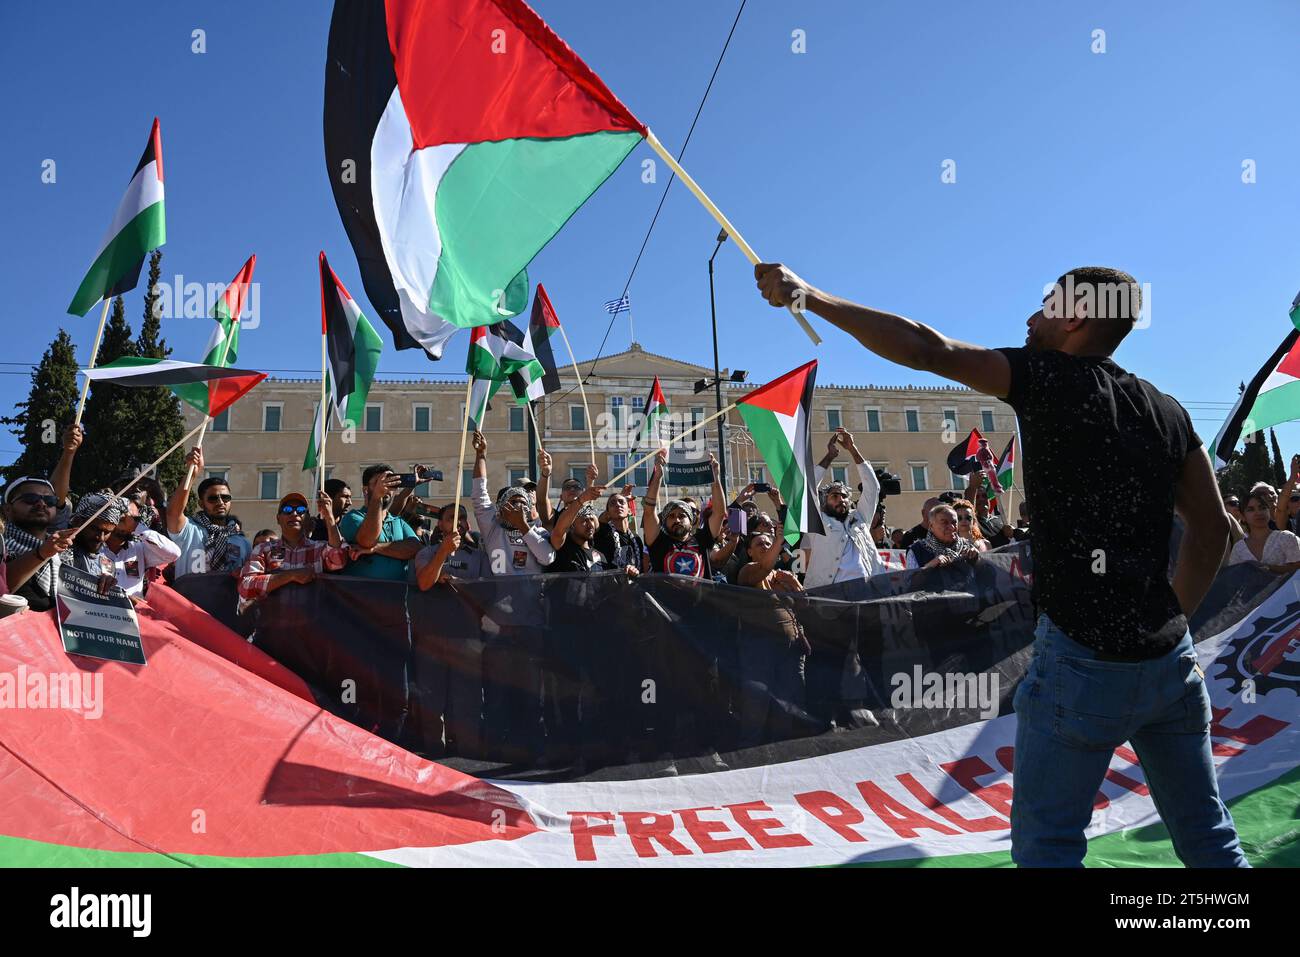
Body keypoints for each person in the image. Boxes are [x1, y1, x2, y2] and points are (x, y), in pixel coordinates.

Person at [755, 261, 1246, 867]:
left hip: (1082, 658)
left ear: (1075, 317)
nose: (1029, 318)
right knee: (1208, 837)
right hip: (1170, 663)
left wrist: (812, 296)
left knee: (1048, 848)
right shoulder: (1168, 411)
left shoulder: (1044, 376)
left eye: (1043, 305)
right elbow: (1215, 530)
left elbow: (926, 349)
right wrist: (1174, 623)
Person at [735, 530, 814, 747]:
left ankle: (787, 746)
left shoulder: (781, 575)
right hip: (758, 649)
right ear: (750, 552)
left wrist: (794, 584)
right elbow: (763, 568)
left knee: (792, 698)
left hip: (791, 649)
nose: (766, 546)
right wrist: (779, 539)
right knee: (756, 701)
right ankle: (750, 748)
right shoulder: (748, 571)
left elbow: (804, 605)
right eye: (760, 544)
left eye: (769, 543)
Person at [801, 428, 886, 589]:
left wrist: (852, 449)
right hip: (831, 598)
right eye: (834, 496)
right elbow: (808, 489)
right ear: (825, 502)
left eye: (844, 496)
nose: (841, 499)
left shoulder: (860, 517)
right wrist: (830, 456)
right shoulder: (817, 522)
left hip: (868, 593)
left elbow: (872, 488)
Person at [237, 492, 348, 613]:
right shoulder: (263, 549)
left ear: (307, 518)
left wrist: (329, 517)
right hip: (273, 626)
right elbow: (246, 586)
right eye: (287, 509)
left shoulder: (319, 548)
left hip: (311, 627)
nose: (294, 513)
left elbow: (338, 560)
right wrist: (291, 575)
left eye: (301, 510)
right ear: (278, 518)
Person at [168, 447, 252, 577]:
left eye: (225, 497)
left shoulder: (243, 542)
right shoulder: (188, 530)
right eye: (213, 498)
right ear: (201, 503)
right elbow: (173, 513)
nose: (220, 502)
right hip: (188, 596)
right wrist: (193, 474)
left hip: (227, 597)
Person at [644, 448, 725, 577]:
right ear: (664, 522)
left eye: (682, 516)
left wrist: (715, 477)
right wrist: (658, 475)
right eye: (671, 516)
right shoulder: (657, 542)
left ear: (692, 520)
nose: (676, 520)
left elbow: (720, 513)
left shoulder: (702, 540)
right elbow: (649, 512)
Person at [3, 477, 77, 611]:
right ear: (8, 509)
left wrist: (101, 585)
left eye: (50, 501)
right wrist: (42, 553)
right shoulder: (3, 546)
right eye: (30, 498)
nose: (41, 504)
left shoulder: (66, 554)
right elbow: (3, 584)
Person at [338, 464, 423, 580]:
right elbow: (368, 541)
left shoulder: (398, 521)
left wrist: (376, 548)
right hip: (360, 595)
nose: (385, 488)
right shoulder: (353, 517)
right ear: (365, 490)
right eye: (378, 483)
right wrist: (377, 496)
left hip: (395, 595)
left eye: (390, 484)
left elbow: (415, 548)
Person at [103, 498, 181, 598]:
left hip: (131, 612)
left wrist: (137, 527)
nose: (128, 523)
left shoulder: (138, 549)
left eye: (135, 519)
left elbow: (174, 553)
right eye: (122, 518)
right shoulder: (94, 549)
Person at [412, 505, 487, 587]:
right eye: (452, 518)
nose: (458, 522)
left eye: (462, 518)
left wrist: (457, 581)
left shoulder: (480, 557)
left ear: (467, 524)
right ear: (440, 524)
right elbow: (423, 584)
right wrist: (443, 550)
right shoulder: (426, 553)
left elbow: (487, 590)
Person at [1227, 488, 1300, 573]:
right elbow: (1234, 577)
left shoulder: (1286, 538)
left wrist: (1270, 568)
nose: (1258, 513)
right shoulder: (1238, 549)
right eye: (1251, 509)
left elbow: (1297, 569)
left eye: (1262, 508)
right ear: (1243, 516)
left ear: (1269, 511)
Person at [906, 504, 981, 569]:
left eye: (954, 522)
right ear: (931, 526)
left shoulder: (967, 546)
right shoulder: (917, 551)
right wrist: (930, 566)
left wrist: (977, 560)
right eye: (944, 522)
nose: (952, 527)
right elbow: (910, 582)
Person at [593, 489, 646, 573]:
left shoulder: (636, 538)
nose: (618, 505)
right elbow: (600, 520)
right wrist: (622, 496)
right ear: (608, 513)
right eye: (612, 503)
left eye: (622, 502)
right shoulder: (603, 532)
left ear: (629, 511)